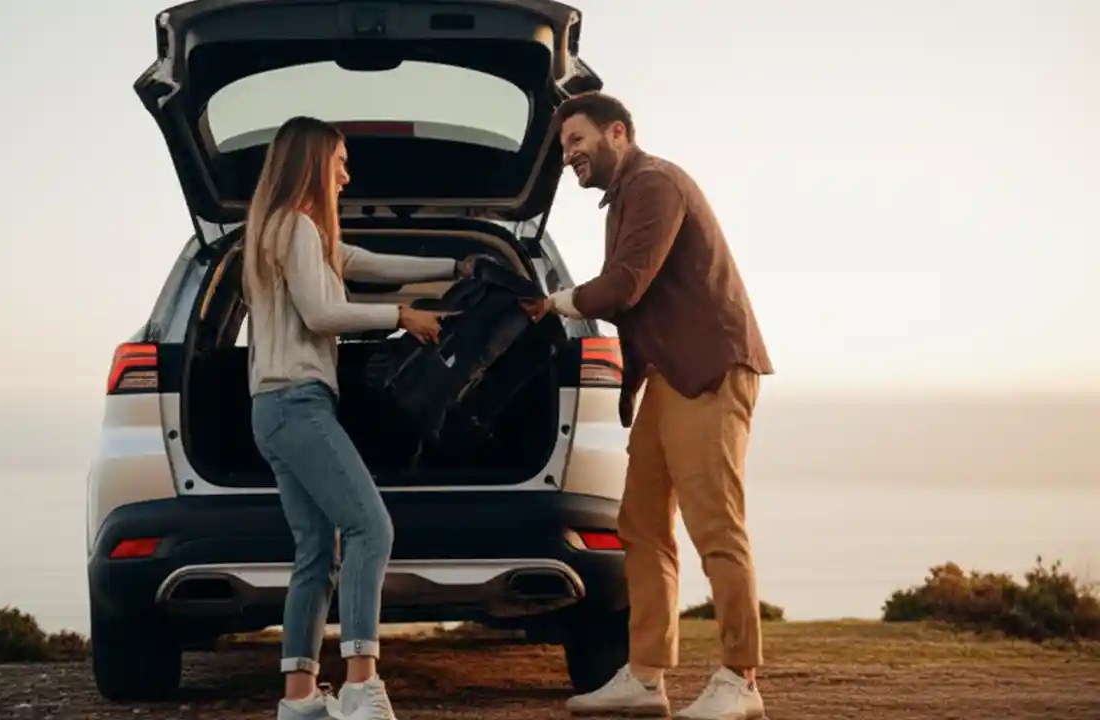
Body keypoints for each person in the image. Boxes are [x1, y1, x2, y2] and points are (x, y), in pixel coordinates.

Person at [523, 92, 773, 720]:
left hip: (709, 370)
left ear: (617, 132)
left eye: (577, 140)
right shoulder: (625, 199)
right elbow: (639, 305)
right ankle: (644, 676)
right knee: (640, 524)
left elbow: (625, 285)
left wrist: (556, 302)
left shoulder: (655, 183)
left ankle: (740, 680)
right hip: (668, 379)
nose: (569, 155)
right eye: (564, 146)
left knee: (715, 524)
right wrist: (630, 385)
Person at [243, 116, 473, 720]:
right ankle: (360, 684)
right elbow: (322, 314)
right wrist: (401, 316)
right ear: (313, 162)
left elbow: (369, 262)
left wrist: (454, 266)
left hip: (274, 409)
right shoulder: (294, 226)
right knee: (372, 528)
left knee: (316, 553)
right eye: (340, 162)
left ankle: (299, 699)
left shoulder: (283, 229)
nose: (347, 174)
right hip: (296, 402)